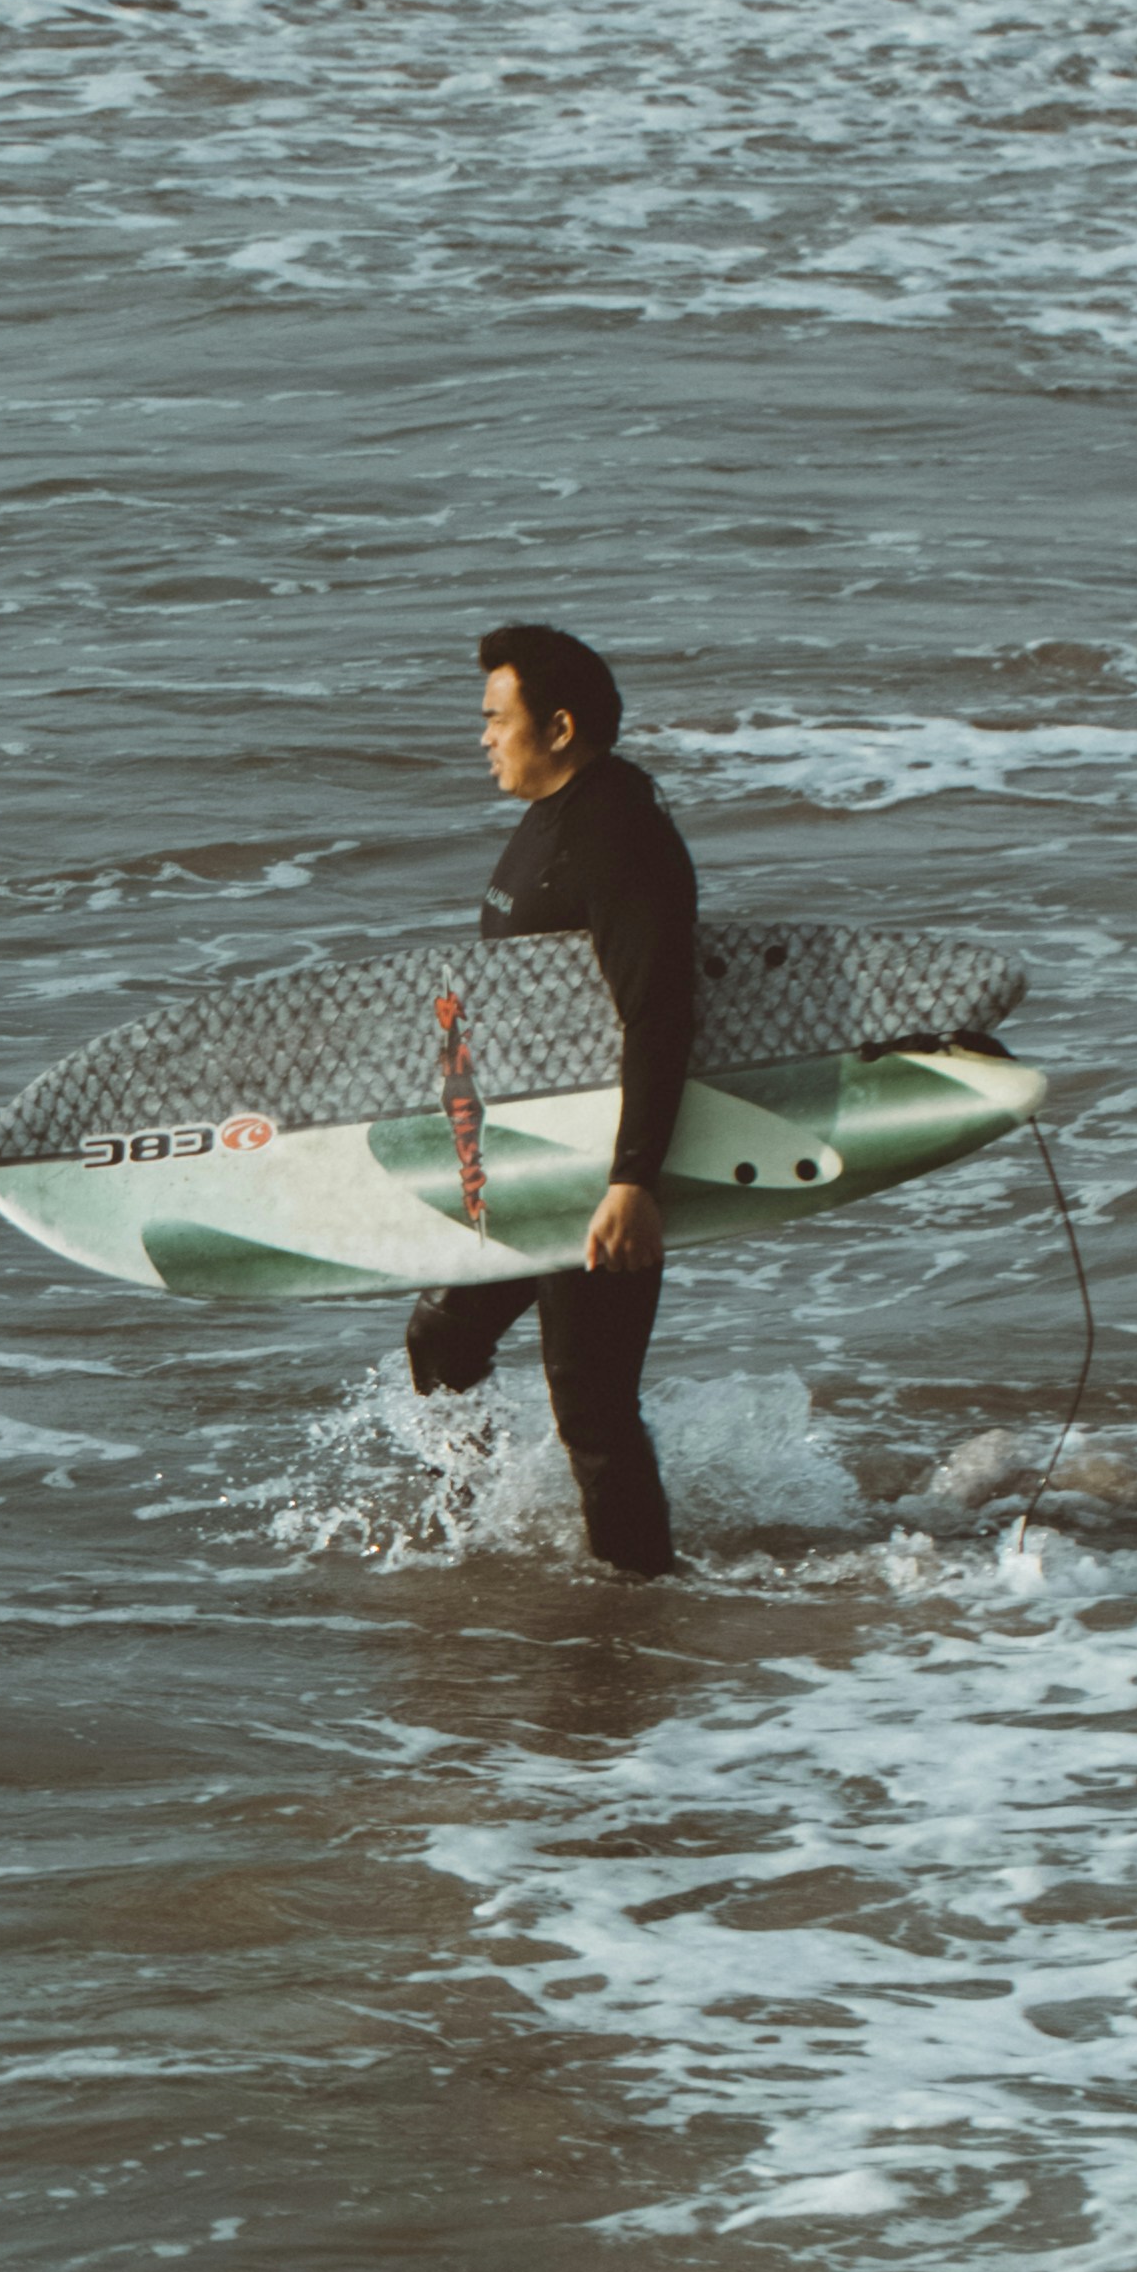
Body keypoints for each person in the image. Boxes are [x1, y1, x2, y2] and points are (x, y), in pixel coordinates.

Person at [403, 619, 694, 1580]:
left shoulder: (616, 831)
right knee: (444, 1338)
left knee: (592, 1402)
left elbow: (657, 1009)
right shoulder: (556, 820)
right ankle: (485, 1520)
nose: (482, 736)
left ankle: (641, 1610)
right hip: (538, 1151)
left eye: (497, 717)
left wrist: (632, 1179)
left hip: (600, 1160)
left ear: (559, 726)